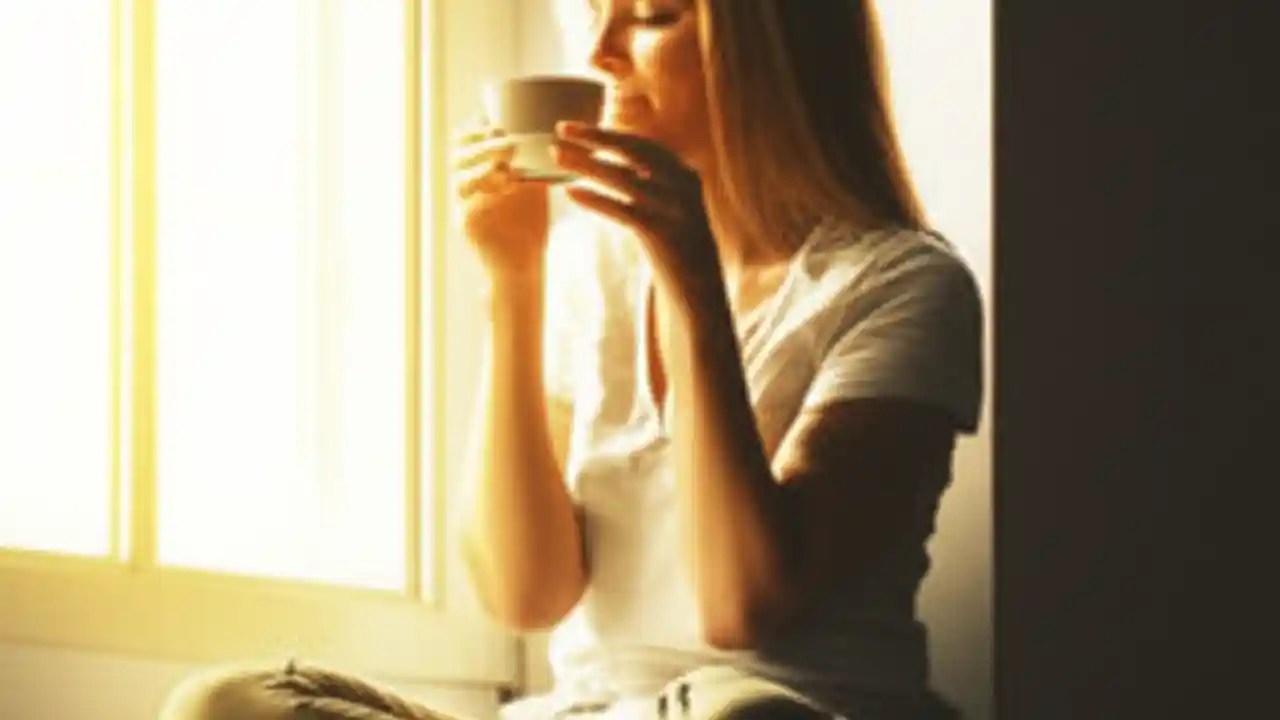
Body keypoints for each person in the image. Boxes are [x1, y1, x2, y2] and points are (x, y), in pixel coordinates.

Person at [159, 1, 982, 719]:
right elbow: (527, 591)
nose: (599, 57)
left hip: (787, 706)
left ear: (776, 50)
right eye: (595, 15)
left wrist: (692, 286)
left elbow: (743, 606)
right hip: (591, 711)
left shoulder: (904, 285)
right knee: (227, 706)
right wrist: (512, 281)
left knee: (736, 710)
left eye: (653, 17)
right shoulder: (593, 267)